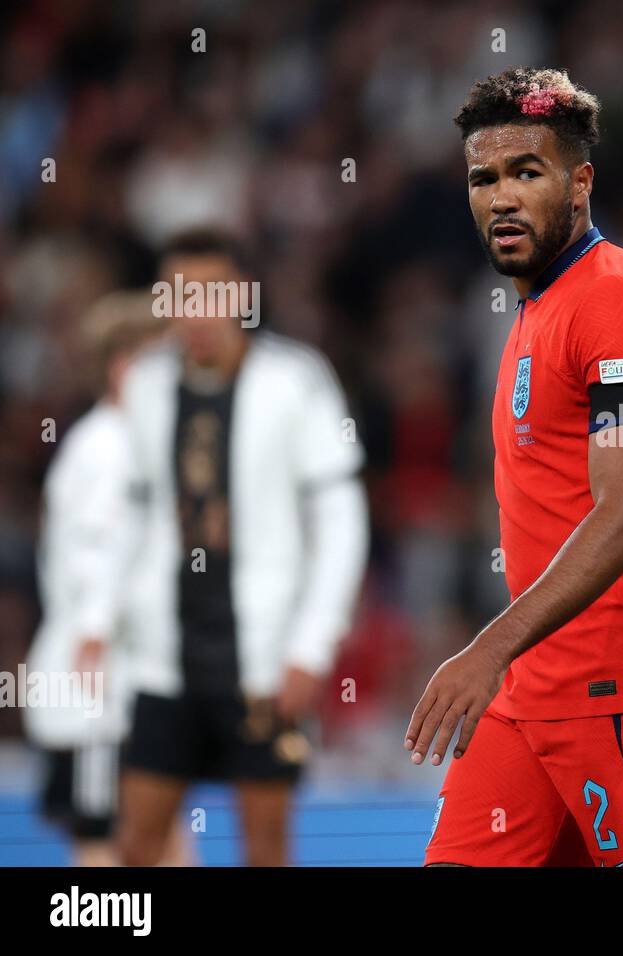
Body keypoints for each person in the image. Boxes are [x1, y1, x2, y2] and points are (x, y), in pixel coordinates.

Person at [410, 67, 623, 867]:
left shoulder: (620, 300)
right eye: (483, 178)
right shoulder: (537, 307)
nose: (501, 197)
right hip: (533, 691)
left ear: (580, 181)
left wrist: (486, 648)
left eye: (527, 172)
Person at [115, 230, 369, 867]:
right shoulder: (145, 386)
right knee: (135, 847)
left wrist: (310, 646)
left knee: (264, 850)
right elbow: (132, 516)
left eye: (210, 293)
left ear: (239, 298)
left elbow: (341, 523)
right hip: (163, 658)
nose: (195, 311)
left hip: (261, 660)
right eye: (179, 295)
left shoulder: (295, 380)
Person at [25, 292, 169, 865]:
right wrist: (94, 629)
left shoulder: (135, 445)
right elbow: (95, 550)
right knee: (104, 837)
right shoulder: (108, 447)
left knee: (154, 832)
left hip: (132, 680)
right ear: (124, 366)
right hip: (98, 683)